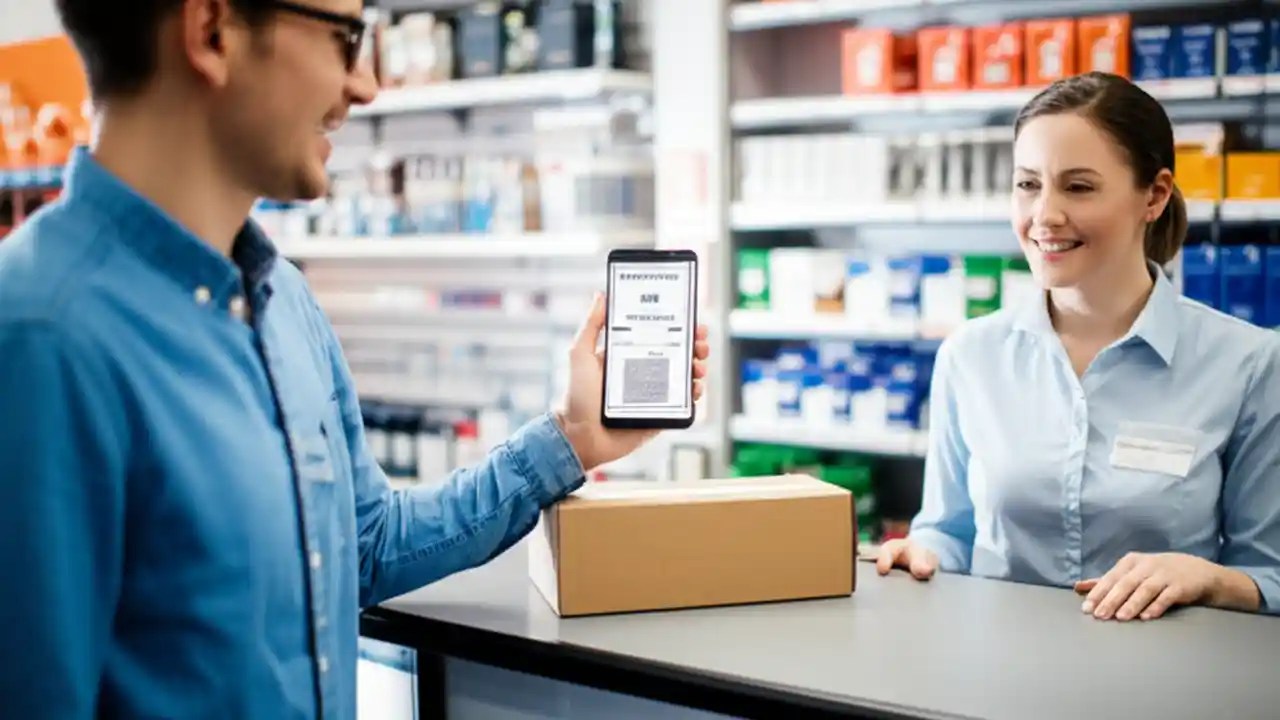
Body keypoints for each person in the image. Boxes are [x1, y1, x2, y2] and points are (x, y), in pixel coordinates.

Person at [0, 1, 710, 717]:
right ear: (212, 31)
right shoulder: (37, 340)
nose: (365, 85)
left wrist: (571, 439)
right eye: (345, 39)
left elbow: (363, 545)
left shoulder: (282, 302)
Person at [876, 72, 1280, 622]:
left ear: (1154, 195)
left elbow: (1270, 577)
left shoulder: (1247, 363)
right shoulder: (970, 356)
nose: (1044, 214)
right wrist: (919, 555)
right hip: (991, 683)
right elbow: (948, 531)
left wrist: (1207, 579)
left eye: (1079, 186)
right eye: (1027, 185)